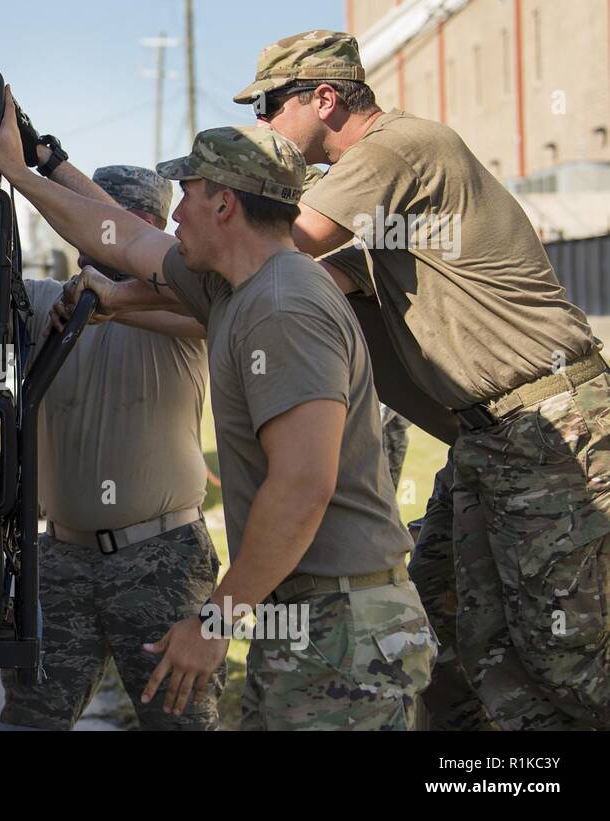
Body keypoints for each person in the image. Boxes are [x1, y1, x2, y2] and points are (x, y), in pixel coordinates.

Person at [0, 103, 436, 728]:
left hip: (342, 626)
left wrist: (213, 620)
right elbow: (122, 237)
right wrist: (28, 169)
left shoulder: (283, 307)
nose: (173, 216)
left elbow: (302, 486)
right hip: (311, 615)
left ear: (223, 206)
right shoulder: (237, 286)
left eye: (186, 195)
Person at [238, 29, 610, 730]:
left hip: (552, 425)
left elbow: (282, 246)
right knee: (452, 633)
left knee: (569, 655)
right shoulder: (382, 200)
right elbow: (294, 281)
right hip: (490, 440)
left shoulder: (397, 150)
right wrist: (119, 296)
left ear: (323, 98)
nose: (262, 123)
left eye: (269, 103)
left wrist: (211, 225)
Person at [0, 155, 220, 730]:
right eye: (97, 223)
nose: (111, 240)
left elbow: (200, 304)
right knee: (30, 719)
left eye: (132, 226)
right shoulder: (47, 304)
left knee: (178, 722)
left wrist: (119, 291)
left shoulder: (187, 307)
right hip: (61, 560)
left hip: (161, 560)